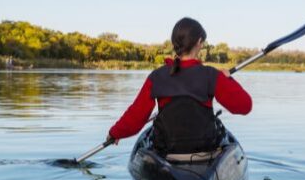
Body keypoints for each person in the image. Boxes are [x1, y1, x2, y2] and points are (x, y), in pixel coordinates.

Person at [107, 17, 252, 155]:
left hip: (167, 150)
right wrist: (228, 79)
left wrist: (115, 133)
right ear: (199, 42)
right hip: (204, 150)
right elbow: (245, 106)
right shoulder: (212, 75)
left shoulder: (157, 76)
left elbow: (136, 116)